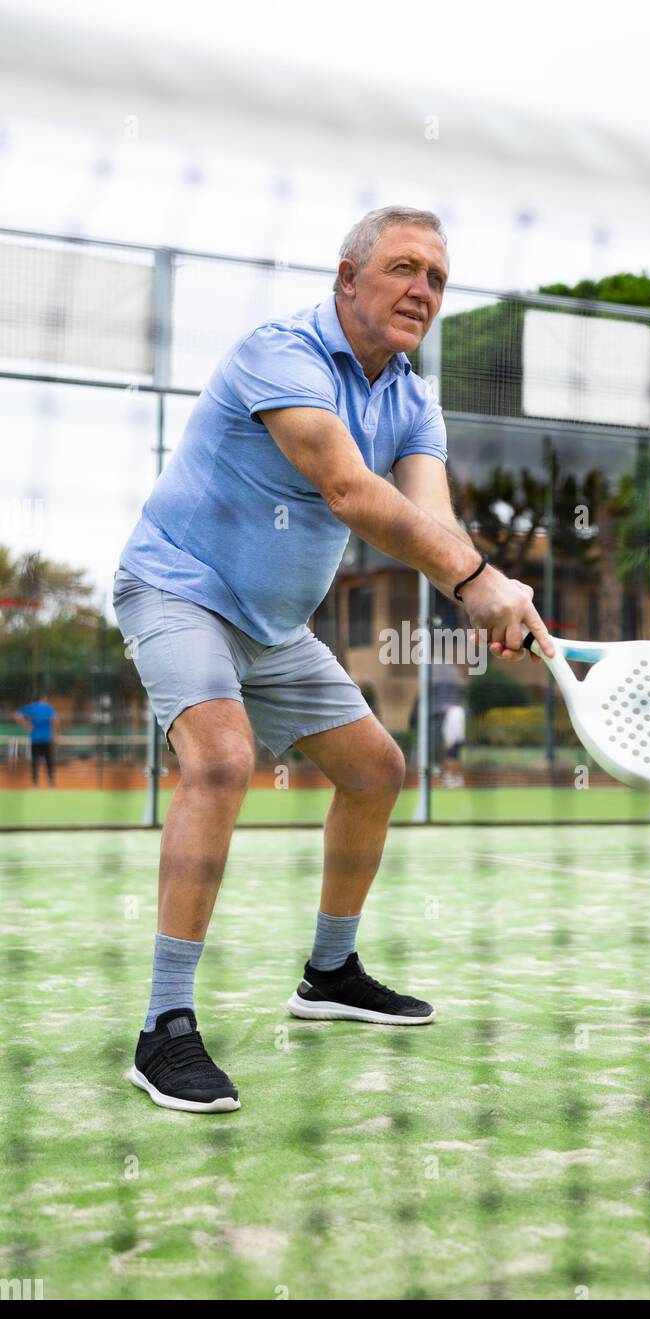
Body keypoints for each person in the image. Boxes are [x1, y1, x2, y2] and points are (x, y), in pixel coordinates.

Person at [113, 205, 553, 1113]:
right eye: (402, 268)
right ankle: (165, 1027)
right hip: (178, 589)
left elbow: (429, 521)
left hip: (276, 629)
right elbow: (351, 490)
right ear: (347, 278)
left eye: (436, 277)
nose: (422, 290)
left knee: (377, 770)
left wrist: (489, 594)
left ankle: (329, 974)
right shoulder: (280, 354)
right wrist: (477, 580)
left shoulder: (412, 394)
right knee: (224, 761)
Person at [14, 692, 60, 786]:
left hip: (35, 738)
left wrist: (27, 725)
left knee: (35, 761)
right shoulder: (48, 707)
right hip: (46, 738)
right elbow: (55, 720)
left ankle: (35, 782)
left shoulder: (31, 707)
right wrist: (55, 733)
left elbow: (16, 714)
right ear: (43, 699)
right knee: (49, 760)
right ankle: (51, 782)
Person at [440, 700, 466, 788]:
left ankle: (453, 778)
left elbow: (454, 728)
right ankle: (455, 778)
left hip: (454, 740)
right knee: (454, 758)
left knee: (451, 759)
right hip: (456, 740)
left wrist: (450, 741)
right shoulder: (458, 711)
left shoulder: (454, 712)